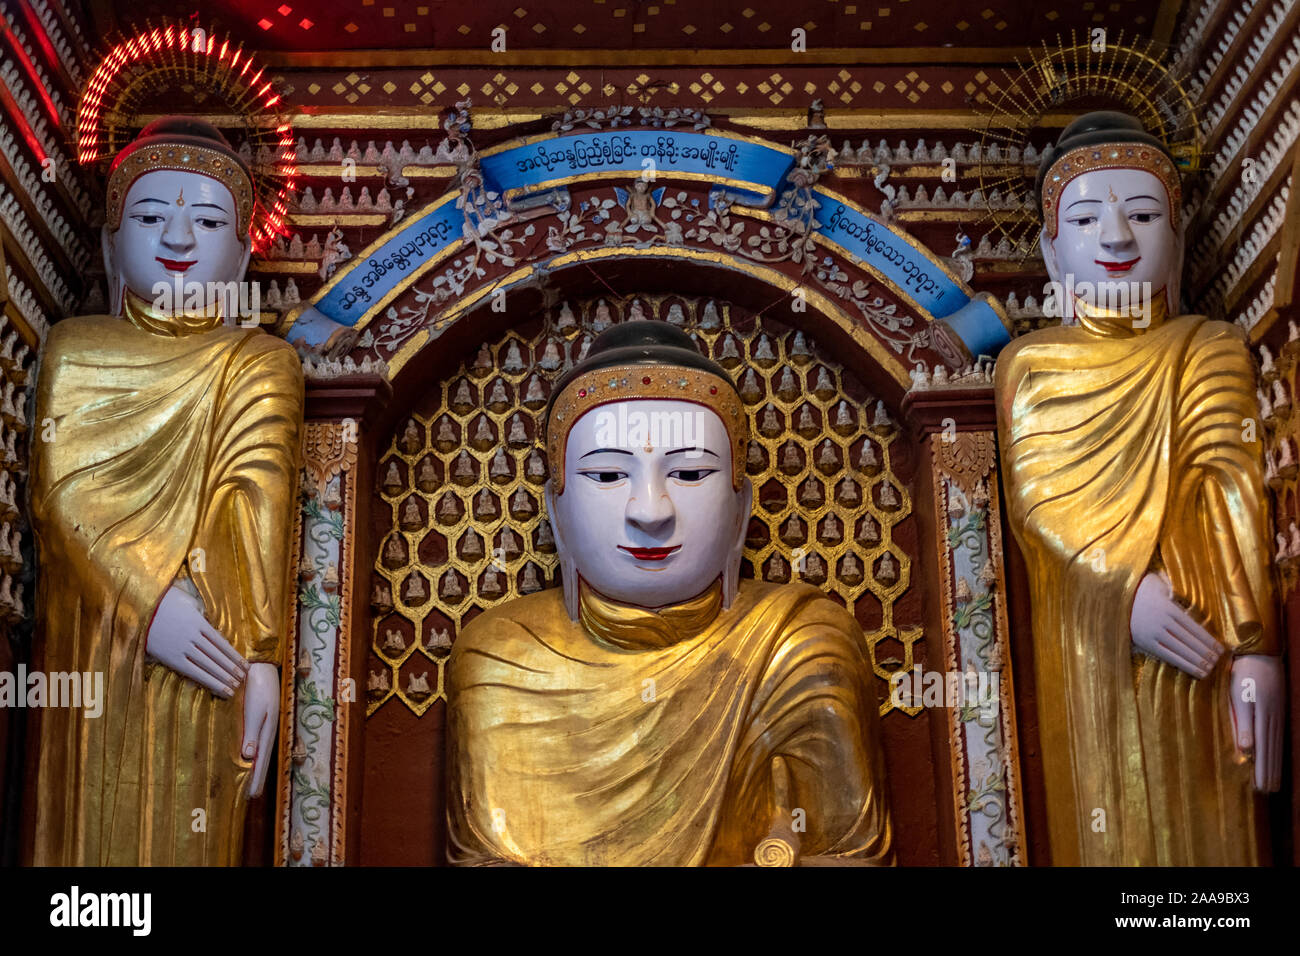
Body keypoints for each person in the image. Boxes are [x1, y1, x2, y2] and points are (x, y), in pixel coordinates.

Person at [446, 320, 893, 866]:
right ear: (556, 510)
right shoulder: (499, 657)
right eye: (608, 476)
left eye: (689, 473)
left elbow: (849, 858)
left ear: (741, 508)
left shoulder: (799, 647)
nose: (650, 511)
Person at [994, 111, 1285, 865]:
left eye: (1145, 213)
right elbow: (1041, 513)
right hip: (1093, 636)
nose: (1119, 237)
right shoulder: (1032, 365)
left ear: (1180, 240)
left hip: (1206, 628)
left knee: (1209, 836)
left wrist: (1257, 648)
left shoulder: (1208, 345)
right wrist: (1124, 591)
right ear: (1053, 254)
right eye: (1088, 218)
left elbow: (1232, 488)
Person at [28, 118, 304, 865]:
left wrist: (264, 660)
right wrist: (150, 604)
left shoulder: (259, 362)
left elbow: (257, 508)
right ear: (111, 244)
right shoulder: (76, 347)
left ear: (243, 252)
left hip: (215, 644)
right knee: (83, 839)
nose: (179, 236)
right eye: (151, 216)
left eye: (209, 220)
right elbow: (62, 502)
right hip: (99, 631)